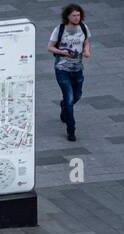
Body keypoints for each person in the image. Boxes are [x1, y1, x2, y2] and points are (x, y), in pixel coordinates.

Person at [47, 4, 90, 142]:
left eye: (78, 15)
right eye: (74, 15)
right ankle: (71, 129)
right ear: (67, 16)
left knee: (77, 95)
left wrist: (86, 50)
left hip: (77, 69)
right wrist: (62, 52)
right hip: (62, 69)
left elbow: (86, 42)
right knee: (70, 99)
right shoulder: (59, 29)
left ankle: (63, 105)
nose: (77, 18)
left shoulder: (83, 27)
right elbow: (50, 47)